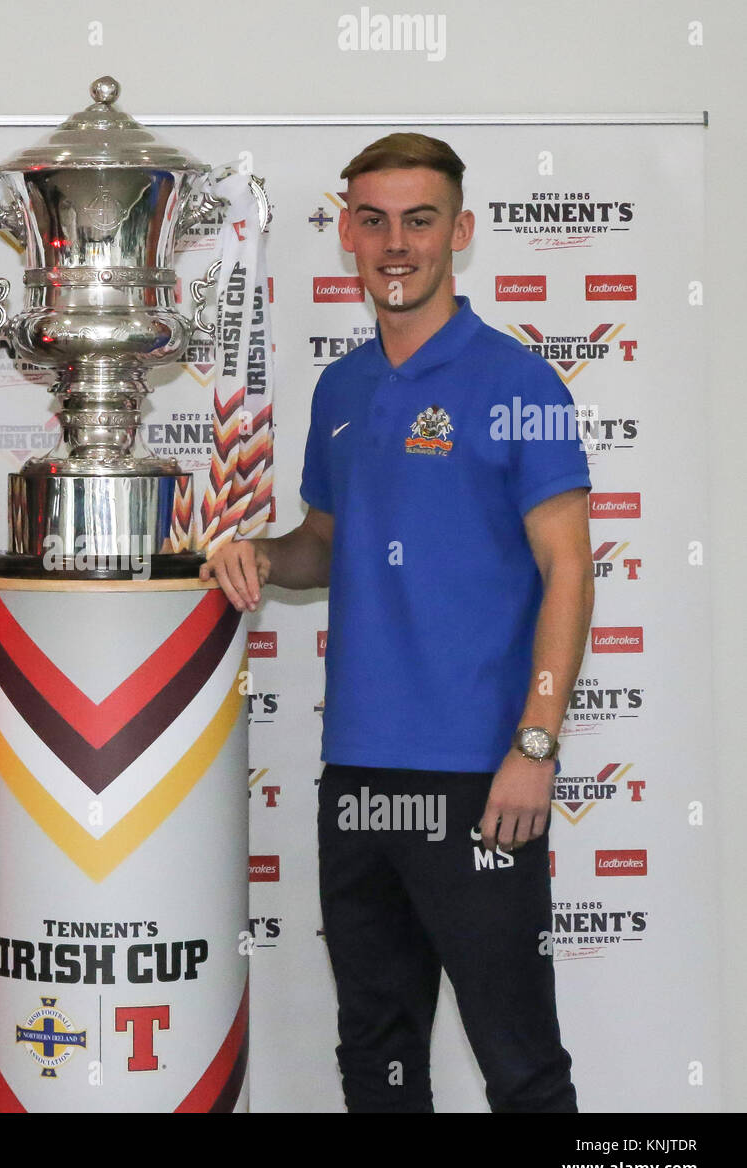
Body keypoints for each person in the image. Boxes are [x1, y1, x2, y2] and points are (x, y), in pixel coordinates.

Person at [203, 133, 592, 1112]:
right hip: (359, 776)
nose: (394, 243)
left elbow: (569, 568)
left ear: (459, 231)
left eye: (419, 220)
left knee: (519, 1062)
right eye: (371, 220)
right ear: (345, 232)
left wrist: (535, 745)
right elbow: (324, 547)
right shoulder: (342, 388)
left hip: (479, 777)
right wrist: (257, 551)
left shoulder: (520, 384)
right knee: (375, 1054)